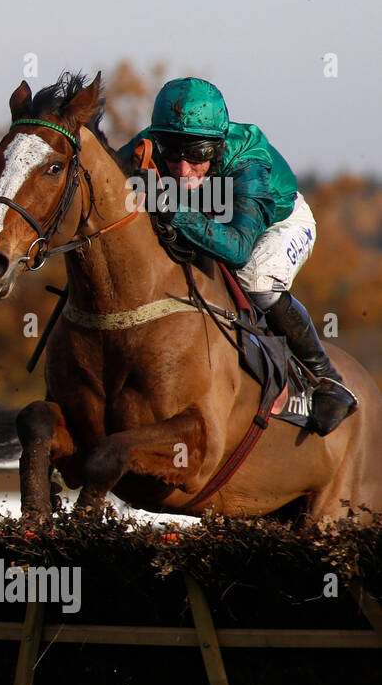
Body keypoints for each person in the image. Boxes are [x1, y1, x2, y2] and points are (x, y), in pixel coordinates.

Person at [122, 77, 356, 435]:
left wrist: (171, 207)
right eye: (171, 152)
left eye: (197, 154)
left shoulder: (248, 161)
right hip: (209, 219)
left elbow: (236, 249)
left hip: (273, 225)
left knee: (256, 278)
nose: (182, 169)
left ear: (216, 146)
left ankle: (325, 379)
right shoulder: (150, 143)